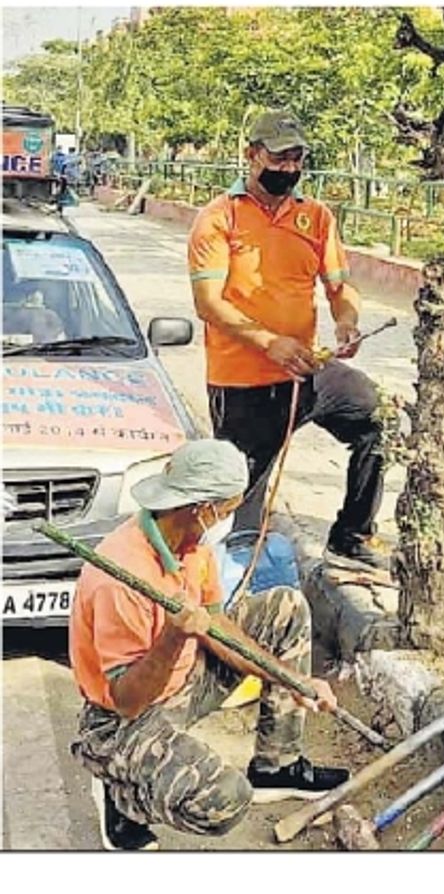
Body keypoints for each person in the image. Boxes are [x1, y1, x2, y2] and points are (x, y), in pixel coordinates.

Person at [69, 439, 349, 851]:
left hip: (183, 678)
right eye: (228, 510)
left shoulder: (193, 544)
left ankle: (277, 764)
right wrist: (174, 635)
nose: (229, 519)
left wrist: (292, 680)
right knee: (224, 802)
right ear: (200, 508)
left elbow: (216, 625)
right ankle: (123, 799)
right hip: (123, 719)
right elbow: (126, 700)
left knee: (285, 608)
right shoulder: (122, 578)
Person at [188, 109, 388, 572]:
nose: (287, 170)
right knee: (243, 501)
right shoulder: (219, 220)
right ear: (251, 155)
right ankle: (233, 588)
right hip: (243, 383)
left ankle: (352, 534)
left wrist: (347, 322)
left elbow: (340, 287)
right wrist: (266, 341)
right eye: (278, 159)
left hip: (305, 369)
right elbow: (207, 303)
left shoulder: (316, 217)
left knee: (380, 421)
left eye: (296, 159)